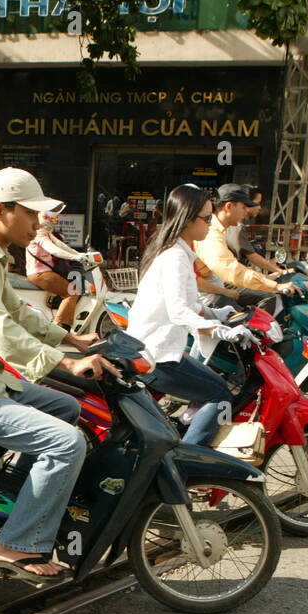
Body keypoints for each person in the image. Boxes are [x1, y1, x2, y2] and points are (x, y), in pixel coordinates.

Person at [0, 167, 117, 579]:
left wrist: (72, 338)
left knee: (67, 407)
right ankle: (14, 544)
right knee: (67, 444)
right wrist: (65, 362)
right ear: (1, 209)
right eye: (31, 213)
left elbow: (17, 311)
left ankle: (14, 499)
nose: (39, 222)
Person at [126, 184, 250, 446]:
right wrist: (221, 330)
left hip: (154, 349)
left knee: (211, 385)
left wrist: (217, 313)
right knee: (220, 395)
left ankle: (184, 435)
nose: (210, 224)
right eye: (206, 218)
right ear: (187, 219)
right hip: (157, 355)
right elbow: (179, 311)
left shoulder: (177, 251)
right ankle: (189, 464)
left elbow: (188, 303)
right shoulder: (175, 257)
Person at [194, 184, 303, 312]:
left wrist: (268, 279)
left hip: (216, 288)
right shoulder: (211, 234)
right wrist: (275, 285)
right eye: (243, 207)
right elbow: (232, 270)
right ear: (229, 206)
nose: (246, 211)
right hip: (206, 298)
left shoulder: (219, 230)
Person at [25, 209, 96, 330]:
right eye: (52, 219)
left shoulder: (45, 233)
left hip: (43, 273)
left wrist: (80, 255)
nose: (54, 222)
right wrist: (75, 257)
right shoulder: (39, 234)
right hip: (40, 273)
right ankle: (58, 326)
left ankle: (63, 323)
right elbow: (54, 250)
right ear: (45, 218)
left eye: (56, 219)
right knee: (72, 291)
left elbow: (61, 245)